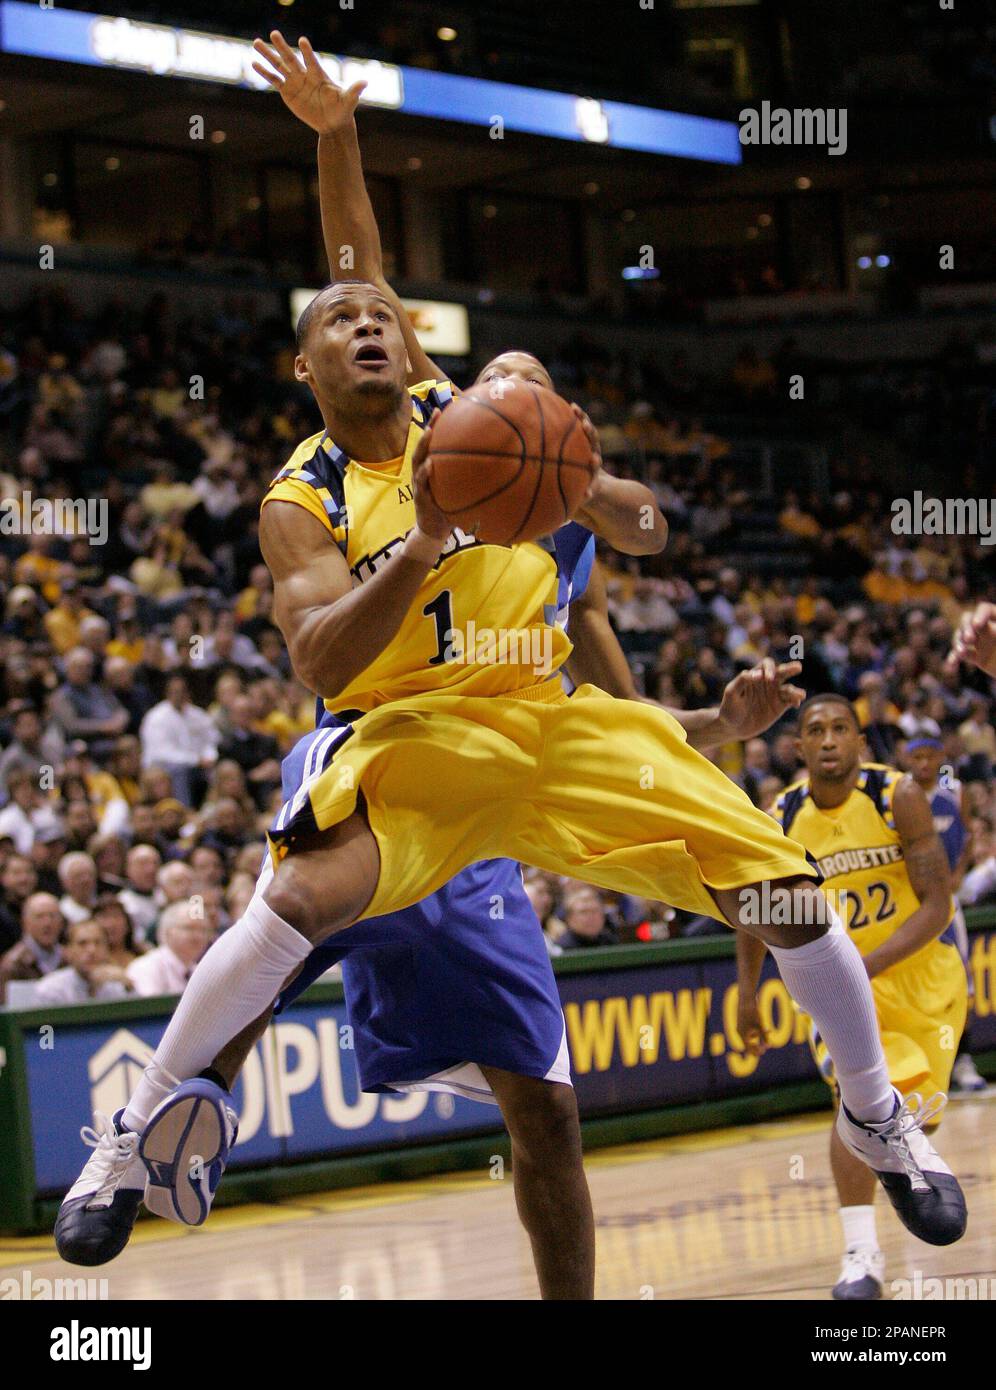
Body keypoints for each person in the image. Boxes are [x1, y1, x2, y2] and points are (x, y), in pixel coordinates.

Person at [55, 33, 963, 1289]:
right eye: (341, 322)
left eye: (385, 317)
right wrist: (425, 539)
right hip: (418, 733)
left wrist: (338, 136)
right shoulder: (303, 494)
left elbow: (637, 515)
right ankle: (133, 1139)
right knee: (301, 899)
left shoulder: (466, 420)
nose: (368, 321)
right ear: (305, 365)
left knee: (792, 894)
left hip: (554, 718)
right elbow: (322, 652)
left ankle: (873, 1109)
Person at [737, 695, 967, 1301]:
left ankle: (905, 1168)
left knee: (911, 1113)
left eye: (842, 729)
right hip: (835, 987)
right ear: (800, 748)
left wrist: (864, 968)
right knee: (857, 1104)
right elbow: (754, 910)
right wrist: (747, 993)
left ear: (861, 743)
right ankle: (859, 1255)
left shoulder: (899, 797)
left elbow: (938, 905)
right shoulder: (780, 813)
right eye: (817, 730)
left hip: (921, 975)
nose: (830, 739)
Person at [905, 736, 984, 1093]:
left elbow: (968, 835)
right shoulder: (900, 794)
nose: (923, 763)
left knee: (959, 983)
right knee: (917, 986)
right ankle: (924, 1065)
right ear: (906, 759)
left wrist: (959, 872)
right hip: (912, 905)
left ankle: (963, 1061)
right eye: (916, 757)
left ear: (941, 757)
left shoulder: (954, 792)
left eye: (929, 756)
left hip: (948, 903)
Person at [126, 901, 215, 998]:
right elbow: (151, 1010)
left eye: (203, 930)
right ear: (167, 931)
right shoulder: (147, 966)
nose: (197, 936)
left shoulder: (200, 971)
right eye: (189, 928)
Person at [35, 919, 132, 1006]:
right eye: (82, 944)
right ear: (69, 951)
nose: (92, 950)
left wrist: (128, 986)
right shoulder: (51, 989)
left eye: (98, 943)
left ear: (107, 950)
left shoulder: (117, 986)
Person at [0, 891, 64, 999]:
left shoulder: (70, 958)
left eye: (52, 916)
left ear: (62, 922)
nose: (47, 923)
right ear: (25, 922)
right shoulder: (13, 966)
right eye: (39, 917)